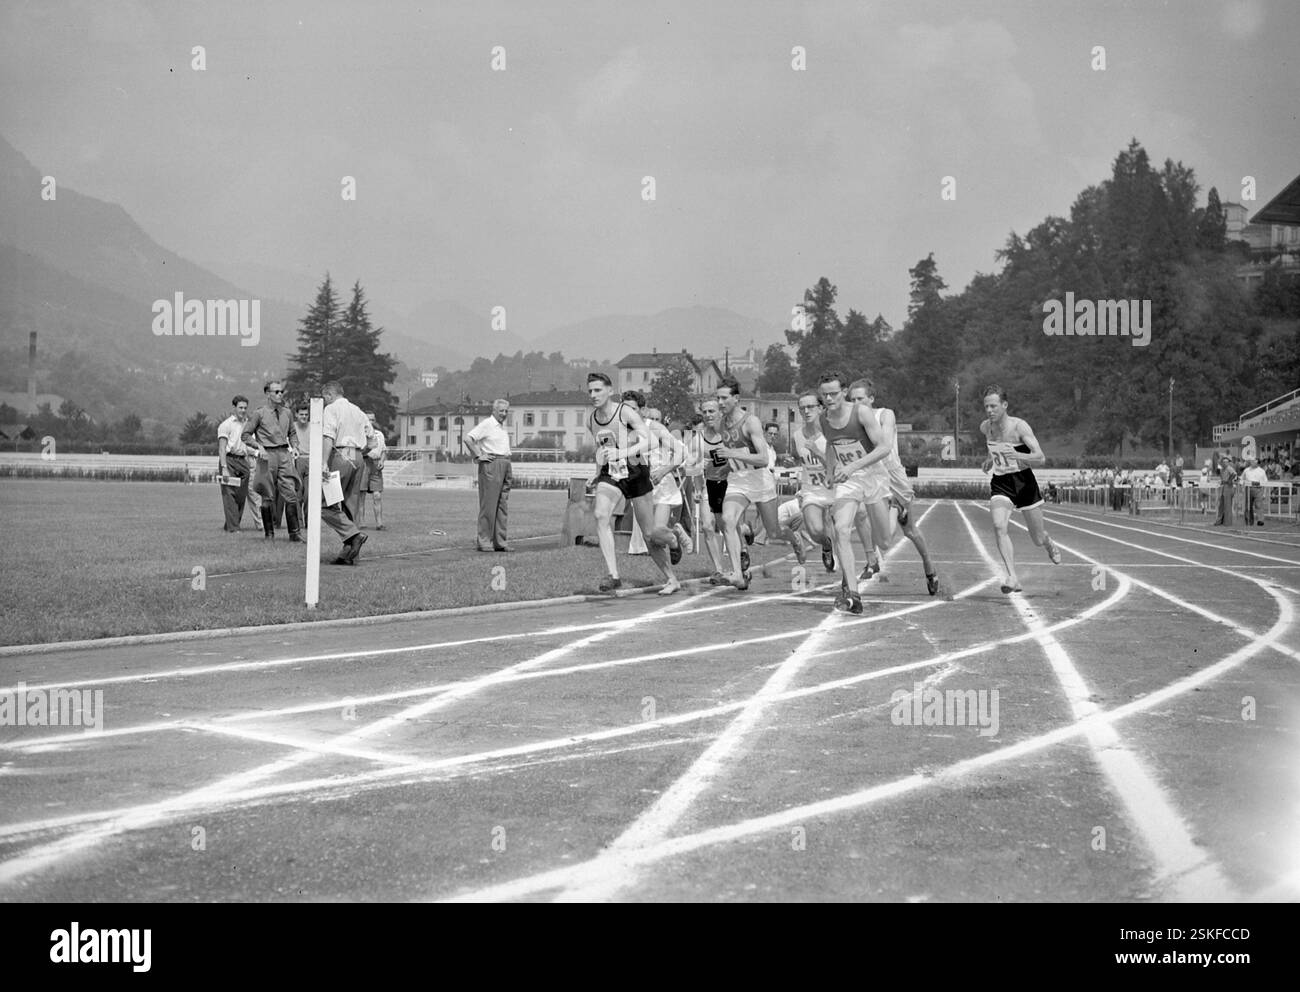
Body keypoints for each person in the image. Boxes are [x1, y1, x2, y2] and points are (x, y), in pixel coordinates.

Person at [586, 374, 680, 594]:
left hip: (636, 471)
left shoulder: (625, 412)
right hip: (612, 473)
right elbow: (601, 448)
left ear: (610, 391)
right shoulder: (591, 419)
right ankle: (613, 576)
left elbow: (650, 441)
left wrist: (623, 452)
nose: (593, 395)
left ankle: (672, 573)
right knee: (601, 515)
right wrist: (597, 472)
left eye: (598, 390)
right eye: (590, 391)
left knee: (650, 535)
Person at [849, 378, 942, 596]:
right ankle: (871, 560)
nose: (856, 404)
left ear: (871, 399)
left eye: (860, 399)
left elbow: (886, 444)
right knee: (860, 513)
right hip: (870, 475)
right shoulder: (851, 420)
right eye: (852, 400)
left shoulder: (885, 414)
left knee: (909, 530)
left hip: (893, 477)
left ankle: (929, 565)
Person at [717, 377, 805, 591]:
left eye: (724, 398)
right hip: (738, 482)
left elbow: (764, 459)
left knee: (773, 532)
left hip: (761, 481)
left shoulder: (751, 422)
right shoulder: (722, 423)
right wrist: (725, 468)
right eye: (717, 398)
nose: (720, 403)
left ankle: (794, 539)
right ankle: (738, 573)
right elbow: (737, 458)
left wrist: (731, 453)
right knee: (728, 520)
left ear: (736, 399)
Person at [817, 371, 894, 613]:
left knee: (884, 541)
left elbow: (884, 448)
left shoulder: (860, 412)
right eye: (825, 394)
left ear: (843, 392)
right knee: (841, 529)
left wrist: (852, 466)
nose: (829, 399)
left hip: (873, 475)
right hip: (849, 480)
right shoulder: (824, 419)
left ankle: (894, 511)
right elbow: (831, 444)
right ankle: (853, 594)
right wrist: (830, 470)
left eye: (833, 393)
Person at [979, 384, 1062, 594]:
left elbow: (1040, 457)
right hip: (1001, 483)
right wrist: (989, 461)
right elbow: (994, 448)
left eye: (993, 406)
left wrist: (1018, 456)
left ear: (1004, 405)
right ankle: (1012, 577)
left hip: (1024, 482)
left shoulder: (1019, 427)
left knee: (1037, 538)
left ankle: (1048, 542)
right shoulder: (985, 428)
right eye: (986, 407)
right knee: (999, 526)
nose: (989, 411)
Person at [319, 380, 373, 564]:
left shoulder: (331, 409)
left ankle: (354, 535)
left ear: (329, 395)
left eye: (324, 398)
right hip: (358, 457)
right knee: (351, 505)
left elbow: (328, 436)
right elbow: (372, 440)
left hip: (340, 455)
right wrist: (359, 454)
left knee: (325, 505)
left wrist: (324, 463)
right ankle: (350, 556)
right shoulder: (358, 410)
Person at [241, 380, 302, 541]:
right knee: (267, 495)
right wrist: (259, 447)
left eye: (281, 392)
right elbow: (245, 435)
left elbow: (292, 433)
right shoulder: (259, 413)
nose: (280, 394)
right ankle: (269, 534)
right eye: (276, 392)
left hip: (284, 454)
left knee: (291, 493)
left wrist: (295, 446)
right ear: (268, 394)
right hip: (266, 456)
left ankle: (294, 533)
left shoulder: (287, 413)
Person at [636, 402, 694, 563]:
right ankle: (674, 534)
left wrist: (664, 470)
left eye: (657, 418)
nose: (654, 420)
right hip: (641, 487)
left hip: (661, 485)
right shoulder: (628, 429)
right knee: (651, 536)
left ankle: (673, 537)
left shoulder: (659, 431)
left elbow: (682, 453)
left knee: (656, 530)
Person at [789, 390, 837, 572]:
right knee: (815, 531)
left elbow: (837, 466)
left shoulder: (831, 433)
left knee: (841, 528)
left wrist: (817, 452)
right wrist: (791, 461)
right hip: (812, 489)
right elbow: (802, 459)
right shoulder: (797, 435)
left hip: (834, 487)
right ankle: (826, 545)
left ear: (821, 408)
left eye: (810, 407)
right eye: (802, 408)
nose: (806, 411)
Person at [693, 397, 733, 583]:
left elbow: (743, 460)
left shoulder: (729, 435)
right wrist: (698, 487)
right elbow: (693, 467)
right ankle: (718, 569)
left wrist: (727, 464)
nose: (708, 415)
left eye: (712, 411)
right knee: (707, 526)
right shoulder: (697, 438)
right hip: (710, 485)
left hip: (731, 485)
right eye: (705, 411)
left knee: (728, 526)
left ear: (720, 412)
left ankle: (739, 560)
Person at [464, 398, 512, 552]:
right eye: (501, 411)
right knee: (489, 506)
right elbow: (468, 438)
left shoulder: (502, 427)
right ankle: (484, 541)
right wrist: (478, 455)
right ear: (494, 411)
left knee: (502, 506)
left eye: (506, 411)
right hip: (492, 463)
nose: (504, 414)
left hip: (505, 463)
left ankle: (500, 542)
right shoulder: (487, 424)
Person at [216, 395, 252, 532]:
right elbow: (221, 448)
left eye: (245, 408)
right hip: (229, 460)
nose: (243, 410)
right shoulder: (226, 425)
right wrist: (224, 467)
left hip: (242, 461)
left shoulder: (248, 425)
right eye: (240, 407)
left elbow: (248, 445)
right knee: (229, 494)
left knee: (241, 495)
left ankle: (230, 524)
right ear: (234, 408)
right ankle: (234, 528)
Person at [358, 412, 387, 531]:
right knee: (361, 495)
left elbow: (384, 450)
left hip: (376, 465)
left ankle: (379, 523)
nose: (370, 422)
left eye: (373, 420)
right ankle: (361, 522)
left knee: (377, 495)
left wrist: (382, 460)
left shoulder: (379, 434)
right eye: (368, 419)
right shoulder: (359, 434)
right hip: (364, 463)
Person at [291, 402, 312, 526]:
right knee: (297, 493)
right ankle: (298, 522)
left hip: (311, 460)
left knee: (309, 495)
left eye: (306, 414)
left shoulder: (313, 427)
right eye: (301, 414)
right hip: (297, 461)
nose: (304, 417)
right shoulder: (292, 427)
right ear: (296, 415)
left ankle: (309, 522)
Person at [1241, 456, 1267, 526]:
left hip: (1258, 489)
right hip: (1248, 489)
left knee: (1259, 505)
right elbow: (1241, 479)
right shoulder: (1246, 470)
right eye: (1251, 461)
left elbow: (1265, 483)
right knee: (1248, 506)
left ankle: (1260, 520)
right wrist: (1242, 488)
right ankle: (1249, 521)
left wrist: (1264, 493)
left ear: (1257, 462)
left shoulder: (1262, 471)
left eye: (1253, 461)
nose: (1251, 462)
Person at [1213, 453, 1238, 526]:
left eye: (1226, 462)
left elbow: (1234, 474)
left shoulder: (1229, 468)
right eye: (1223, 462)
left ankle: (1227, 522)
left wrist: (1229, 480)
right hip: (1223, 486)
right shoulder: (1222, 469)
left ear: (1228, 462)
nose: (1225, 463)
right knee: (1221, 505)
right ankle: (1220, 521)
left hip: (1228, 487)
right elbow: (1220, 475)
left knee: (1227, 506)